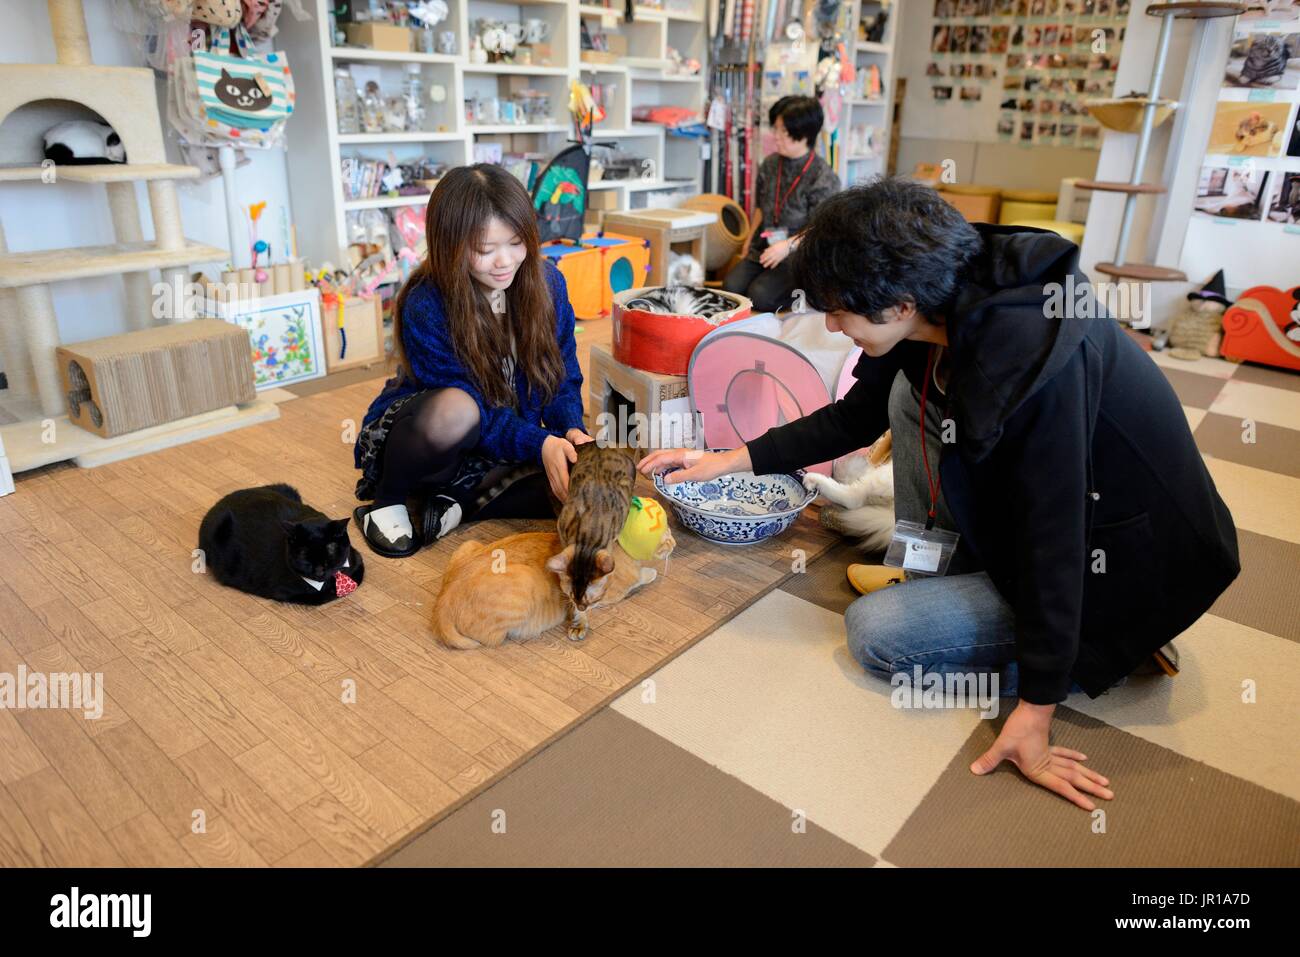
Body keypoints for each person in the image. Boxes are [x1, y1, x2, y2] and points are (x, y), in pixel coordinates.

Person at [641, 177, 1240, 810]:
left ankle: (1104, 651)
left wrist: (1036, 713)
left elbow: (1056, 540)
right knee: (905, 394)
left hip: (1129, 566)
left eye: (839, 311)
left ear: (899, 304)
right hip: (1069, 525)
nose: (834, 325)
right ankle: (951, 572)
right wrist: (727, 459)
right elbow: (853, 417)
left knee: (877, 635)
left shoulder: (1033, 371)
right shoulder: (944, 287)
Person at [353, 164, 591, 558]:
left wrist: (570, 431)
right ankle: (387, 500)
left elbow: (563, 374)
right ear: (451, 245)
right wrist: (539, 442)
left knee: (578, 490)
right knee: (458, 410)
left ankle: (461, 502)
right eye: (484, 250)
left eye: (516, 243)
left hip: (500, 439)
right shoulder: (427, 303)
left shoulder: (548, 283)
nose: (505, 261)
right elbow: (476, 409)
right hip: (435, 438)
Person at [722, 96, 840, 312]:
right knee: (731, 289)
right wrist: (748, 240)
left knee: (760, 296)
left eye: (783, 131)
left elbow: (820, 230)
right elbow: (760, 207)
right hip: (764, 246)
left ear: (804, 134)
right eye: (775, 128)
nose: (775, 136)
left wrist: (787, 246)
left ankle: (807, 292)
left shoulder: (823, 177)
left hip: (797, 254)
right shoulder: (770, 164)